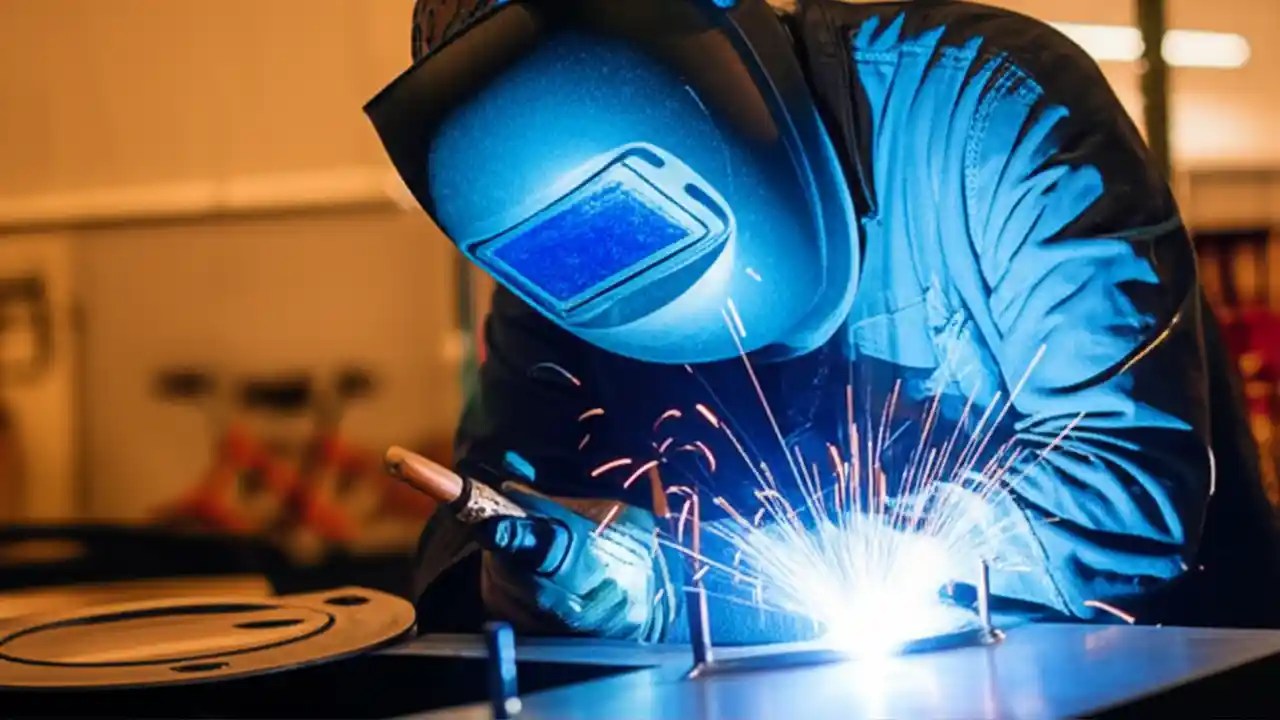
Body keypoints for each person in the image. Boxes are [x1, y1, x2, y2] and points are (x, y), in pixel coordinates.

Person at [365, 0, 1280, 643]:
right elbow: (473, 521)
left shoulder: (991, 112)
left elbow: (1124, 495)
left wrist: (711, 587)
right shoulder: (555, 256)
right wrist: (516, 576)